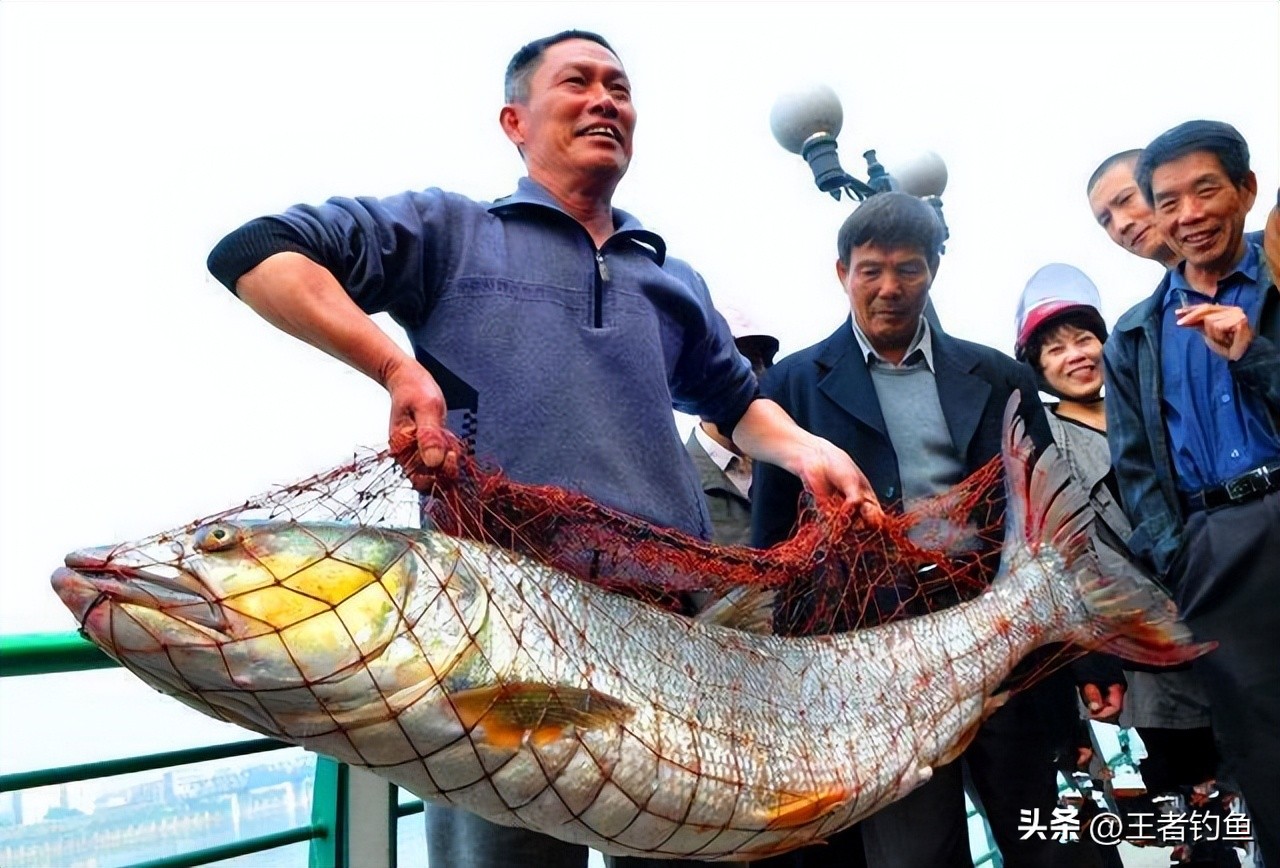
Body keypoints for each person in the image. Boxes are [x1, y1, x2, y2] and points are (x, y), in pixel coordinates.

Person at [206, 28, 879, 868]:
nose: (606, 100)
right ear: (513, 121)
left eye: (620, 87)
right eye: (578, 82)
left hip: (668, 643)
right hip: (495, 644)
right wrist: (392, 365)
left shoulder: (667, 277)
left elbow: (738, 405)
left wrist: (807, 449)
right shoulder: (449, 233)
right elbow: (254, 252)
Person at [750, 191, 1083, 868]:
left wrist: (1088, 657)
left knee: (1043, 839)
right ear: (841, 271)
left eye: (909, 269)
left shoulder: (998, 375)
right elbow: (770, 548)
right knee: (913, 851)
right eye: (870, 270)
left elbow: (1056, 524)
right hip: (876, 661)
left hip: (1000, 634)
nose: (890, 288)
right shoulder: (791, 388)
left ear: (934, 269)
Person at [1014, 263, 1240, 868]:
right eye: (1055, 349)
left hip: (1221, 599)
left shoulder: (1151, 405)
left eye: (1084, 339)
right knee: (1195, 797)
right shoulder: (1047, 442)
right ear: (1038, 370)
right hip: (1144, 643)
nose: (1076, 355)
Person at [1104, 119, 1280, 867]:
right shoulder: (1135, 335)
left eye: (1206, 189)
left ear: (1245, 190)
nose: (1188, 213)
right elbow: (1136, 466)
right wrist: (1178, 560)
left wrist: (1255, 354)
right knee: (1266, 756)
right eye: (1168, 200)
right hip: (1216, 551)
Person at [684, 308, 780, 546]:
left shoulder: (791, 471)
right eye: (732, 364)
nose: (748, 378)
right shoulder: (675, 485)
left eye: (757, 363)